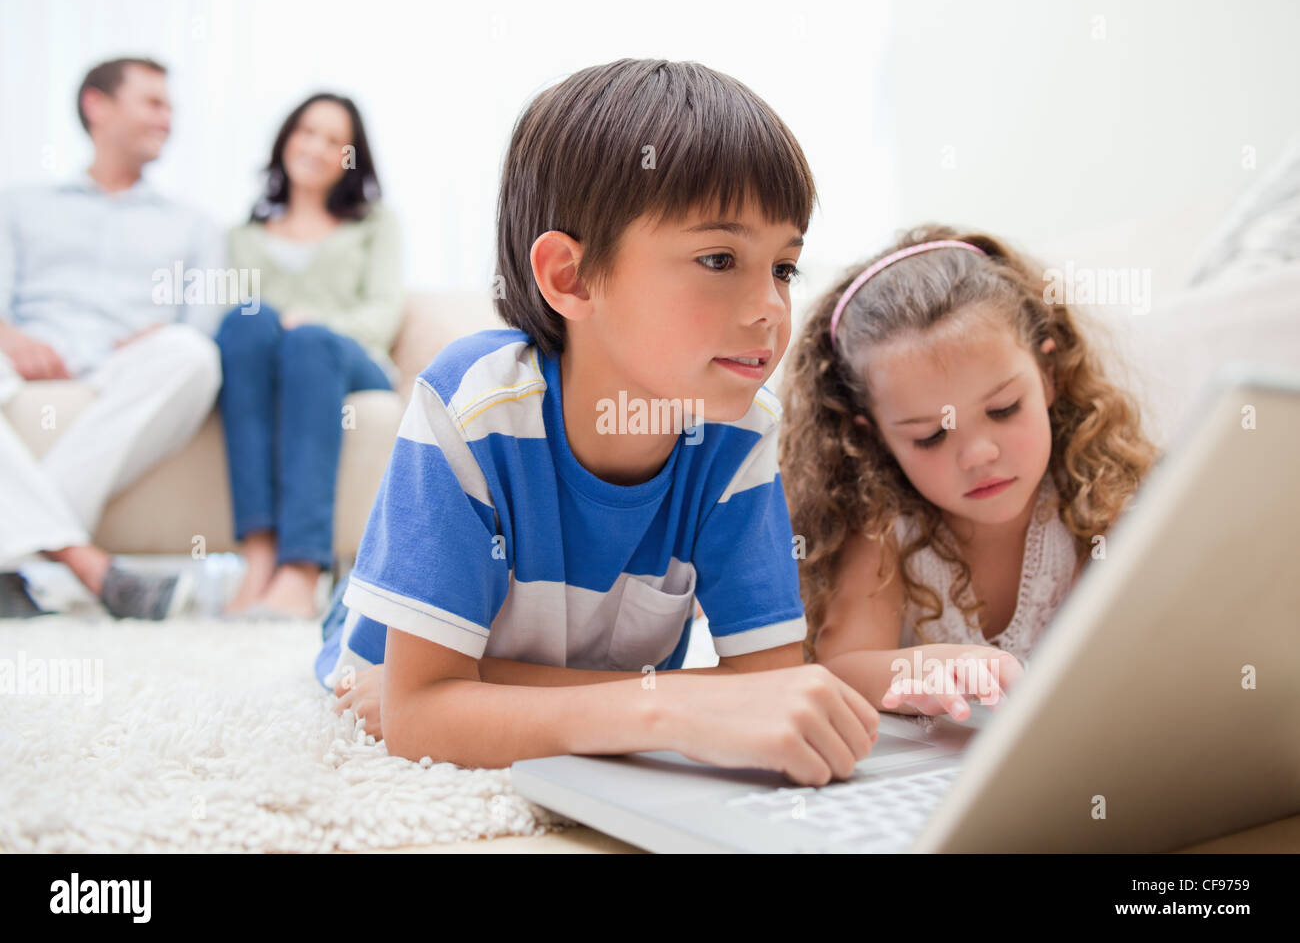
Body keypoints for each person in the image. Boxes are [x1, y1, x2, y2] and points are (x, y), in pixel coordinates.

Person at [318, 58, 881, 788]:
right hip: (371, 656)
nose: (770, 308)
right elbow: (422, 718)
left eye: (784, 268)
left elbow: (768, 686)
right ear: (571, 278)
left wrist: (484, 687)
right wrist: (665, 708)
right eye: (719, 258)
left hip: (468, 670)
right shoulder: (471, 406)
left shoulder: (739, 430)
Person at [778, 226, 1161, 721]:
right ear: (873, 434)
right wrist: (934, 668)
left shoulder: (1094, 496)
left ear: (1049, 375)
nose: (978, 455)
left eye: (1003, 409)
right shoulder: (883, 526)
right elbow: (842, 668)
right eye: (930, 436)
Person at [0, 57, 223, 620]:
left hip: (125, 372)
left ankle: (29, 556)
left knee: (191, 354)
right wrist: (11, 336)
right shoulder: (19, 205)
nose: (167, 119)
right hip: (25, 362)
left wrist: (171, 331)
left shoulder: (194, 225)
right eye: (152, 102)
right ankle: (87, 564)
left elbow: (203, 325)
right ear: (97, 106)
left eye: (170, 106)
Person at [214, 93, 401, 620]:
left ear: (351, 157)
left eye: (334, 140)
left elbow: (382, 314)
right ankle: (260, 557)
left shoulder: (375, 225)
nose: (316, 147)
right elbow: (236, 338)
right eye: (306, 132)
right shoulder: (242, 237)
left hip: (350, 362)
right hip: (273, 367)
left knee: (308, 342)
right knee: (246, 322)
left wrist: (317, 323)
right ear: (285, 141)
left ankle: (302, 570)